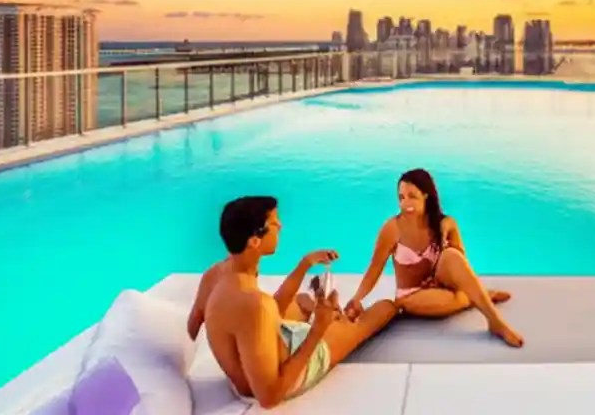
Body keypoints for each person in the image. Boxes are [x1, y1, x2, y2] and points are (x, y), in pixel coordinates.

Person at [187, 196, 399, 409]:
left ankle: (331, 317)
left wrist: (305, 264)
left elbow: (194, 326)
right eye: (273, 223)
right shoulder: (256, 305)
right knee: (377, 314)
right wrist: (318, 330)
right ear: (254, 241)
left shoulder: (214, 275)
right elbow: (269, 398)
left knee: (302, 301)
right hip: (273, 382)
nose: (280, 225)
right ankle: (340, 320)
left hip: (253, 364)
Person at [343, 168, 524, 348]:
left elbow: (461, 262)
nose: (405, 203)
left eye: (412, 196)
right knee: (456, 298)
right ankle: (481, 296)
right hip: (412, 295)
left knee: (451, 255)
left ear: (426, 196)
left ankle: (495, 322)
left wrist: (451, 227)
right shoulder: (392, 229)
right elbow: (374, 269)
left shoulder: (440, 224)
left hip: (440, 283)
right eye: (401, 197)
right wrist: (357, 299)